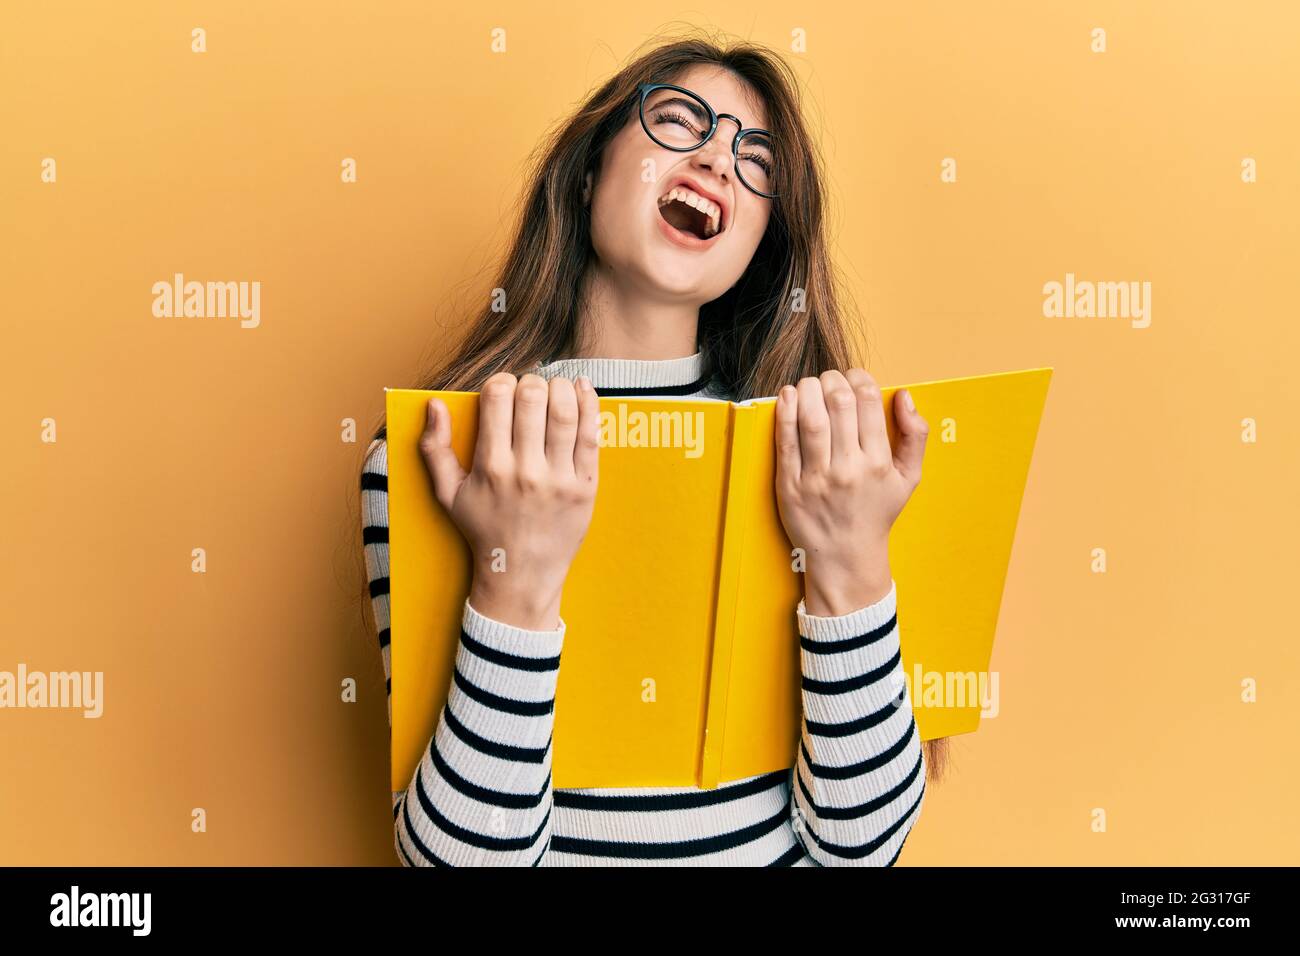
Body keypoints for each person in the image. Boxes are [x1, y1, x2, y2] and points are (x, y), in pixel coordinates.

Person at [360, 35, 945, 866]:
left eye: (757, 164)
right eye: (680, 122)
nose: (718, 160)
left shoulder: (832, 458)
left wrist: (850, 563)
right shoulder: (446, 454)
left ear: (760, 245)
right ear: (589, 172)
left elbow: (861, 851)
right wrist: (514, 573)